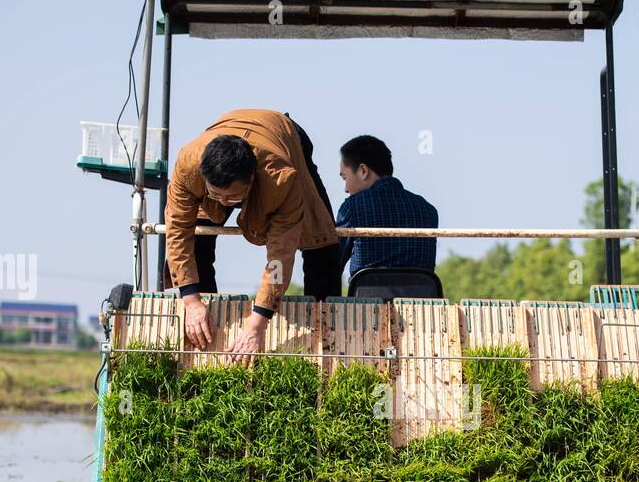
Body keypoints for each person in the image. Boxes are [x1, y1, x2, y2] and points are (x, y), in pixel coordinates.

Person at [164, 109, 340, 360]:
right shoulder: (187, 165)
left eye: (232, 197)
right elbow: (178, 231)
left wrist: (257, 323)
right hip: (226, 130)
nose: (224, 202)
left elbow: (281, 255)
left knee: (321, 240)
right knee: (198, 239)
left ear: (250, 181)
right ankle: (206, 329)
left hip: (286, 137)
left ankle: (324, 337)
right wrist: (191, 302)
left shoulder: (280, 179)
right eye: (216, 195)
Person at [335, 135, 438, 281]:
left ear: (363, 171)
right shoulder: (428, 211)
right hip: (417, 302)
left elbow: (331, 265)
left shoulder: (352, 207)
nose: (346, 189)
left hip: (367, 302)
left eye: (345, 178)